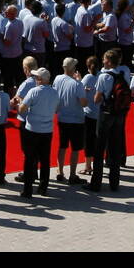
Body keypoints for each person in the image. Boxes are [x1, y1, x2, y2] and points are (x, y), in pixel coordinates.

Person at [89, 49, 131, 192]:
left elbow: (97, 99)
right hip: (119, 114)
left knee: (100, 148)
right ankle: (114, 182)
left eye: (104, 59)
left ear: (108, 61)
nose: (102, 61)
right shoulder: (123, 74)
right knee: (115, 147)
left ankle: (96, 182)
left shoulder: (104, 76)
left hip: (106, 113)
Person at [18, 67, 59, 198]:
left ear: (40, 80)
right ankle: (43, 187)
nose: (35, 79)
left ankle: (27, 189)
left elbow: (22, 110)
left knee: (30, 159)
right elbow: (56, 109)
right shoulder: (54, 93)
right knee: (45, 159)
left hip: (33, 129)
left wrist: (19, 102)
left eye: (36, 77)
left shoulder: (33, 91)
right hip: (47, 130)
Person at [51, 58, 88, 184]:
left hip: (62, 117)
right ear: (73, 69)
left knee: (62, 146)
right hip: (76, 119)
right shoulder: (77, 84)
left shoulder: (57, 79)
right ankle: (72, 175)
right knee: (75, 148)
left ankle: (60, 171)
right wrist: (80, 83)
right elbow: (83, 103)